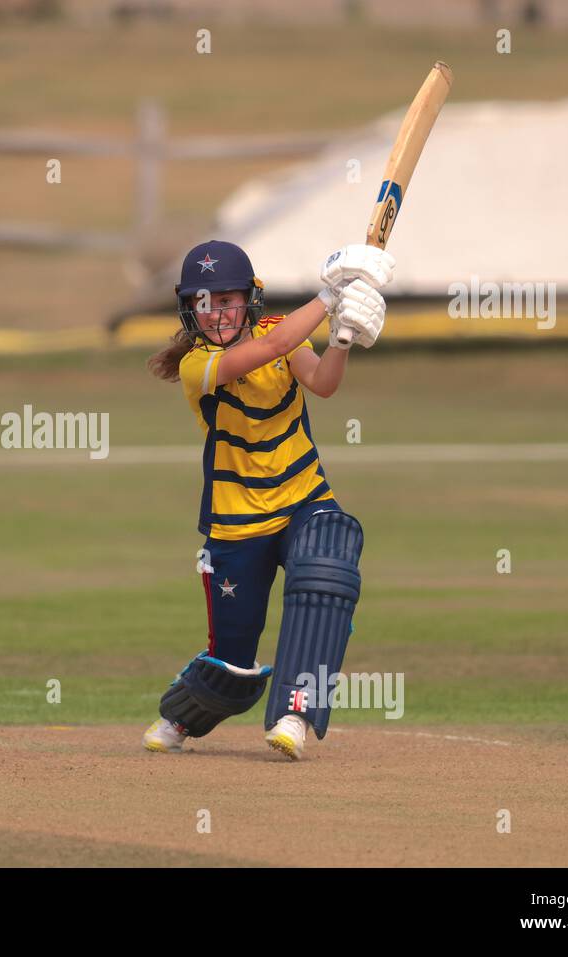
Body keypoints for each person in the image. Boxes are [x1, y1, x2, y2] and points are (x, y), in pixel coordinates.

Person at [141, 240, 391, 759]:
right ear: (189, 310)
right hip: (236, 525)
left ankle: (295, 713)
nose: (215, 314)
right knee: (232, 663)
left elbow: (321, 384)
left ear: (250, 299)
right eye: (203, 303)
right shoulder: (199, 364)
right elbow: (265, 353)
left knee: (328, 568)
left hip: (303, 498)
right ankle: (183, 715)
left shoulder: (281, 332)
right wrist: (329, 297)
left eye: (226, 300)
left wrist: (342, 338)